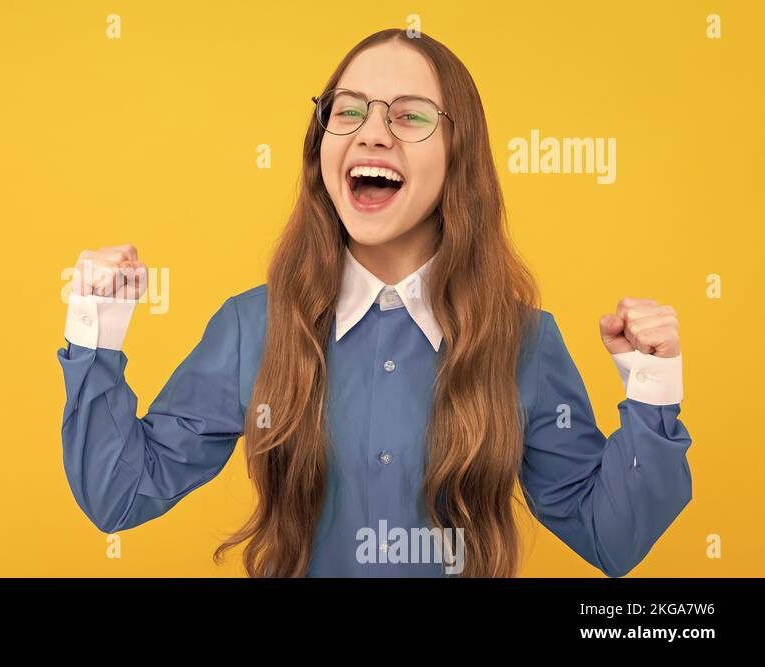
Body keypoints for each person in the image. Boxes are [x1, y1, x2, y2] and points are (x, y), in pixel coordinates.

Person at [56, 28, 691, 577]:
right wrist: (97, 332)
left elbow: (611, 537)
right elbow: (121, 493)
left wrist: (653, 389)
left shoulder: (521, 342)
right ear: (321, 145)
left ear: (457, 156)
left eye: (410, 116)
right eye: (349, 111)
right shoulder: (255, 327)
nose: (373, 134)